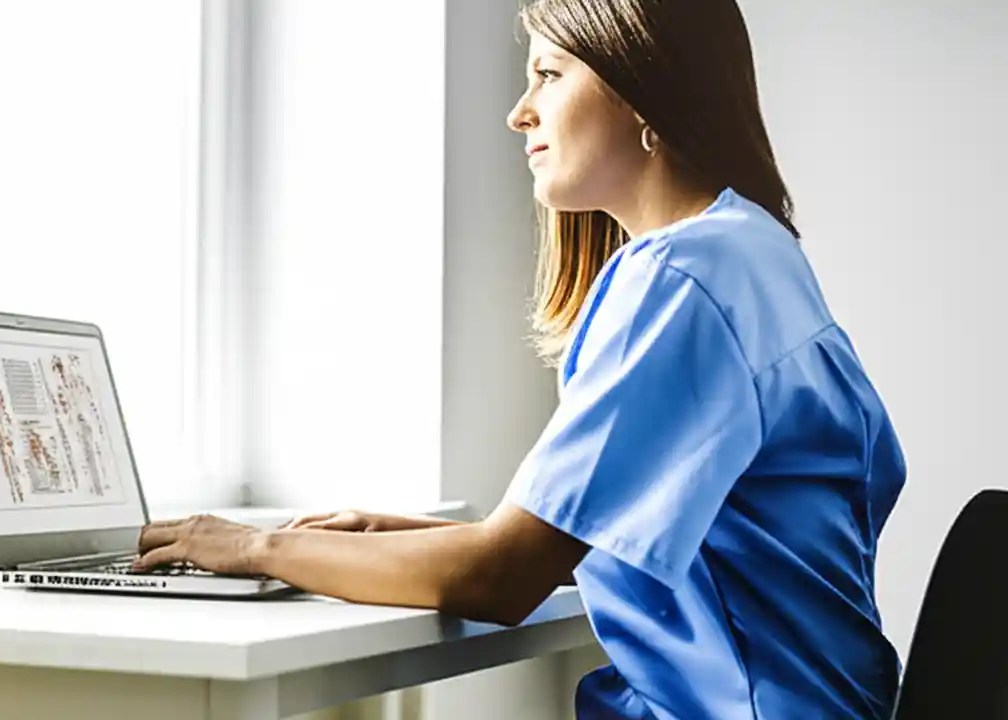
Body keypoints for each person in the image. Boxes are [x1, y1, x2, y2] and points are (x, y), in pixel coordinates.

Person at [133, 0, 907, 717]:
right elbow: (678, 545)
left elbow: (501, 578)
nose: (519, 112)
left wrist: (256, 546)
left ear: (644, 85)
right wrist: (393, 536)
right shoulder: (754, 253)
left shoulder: (684, 279)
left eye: (549, 73)